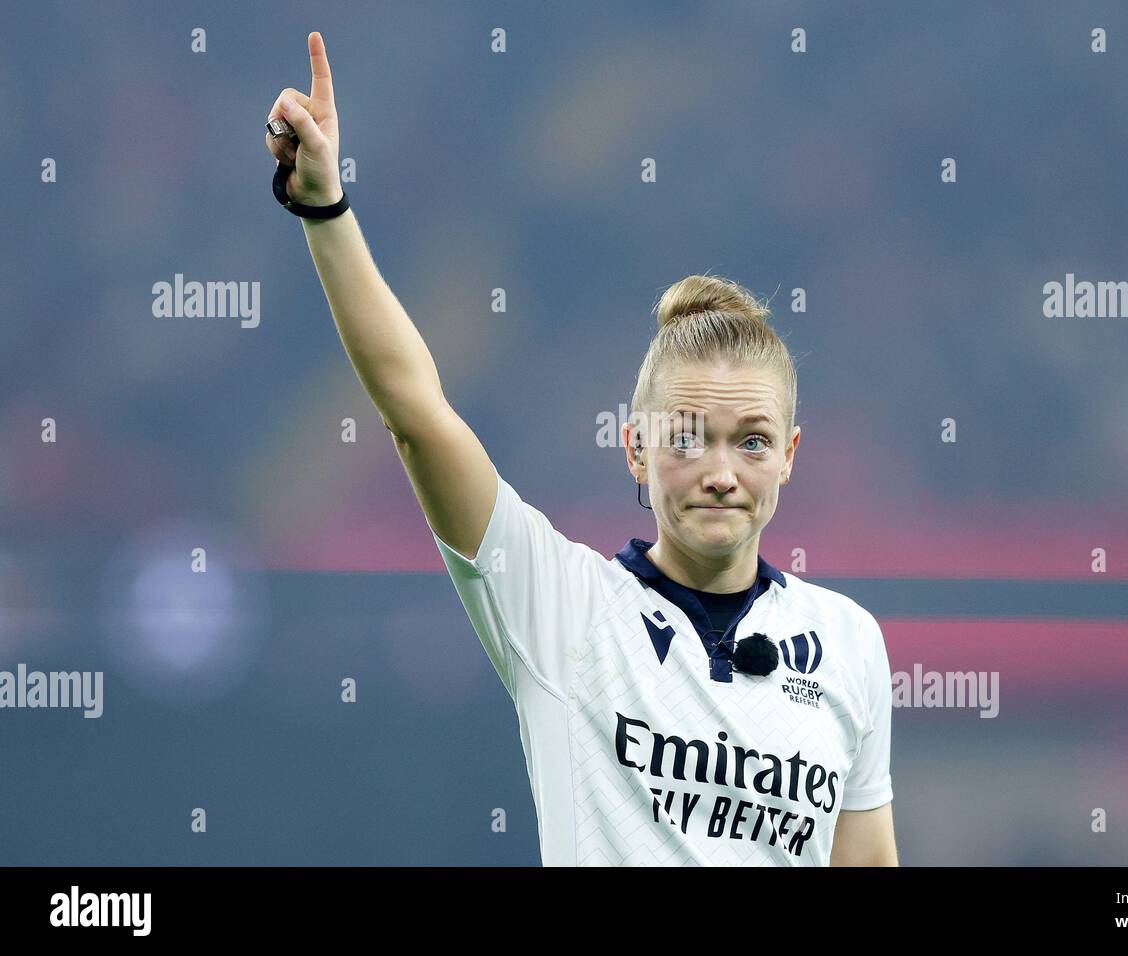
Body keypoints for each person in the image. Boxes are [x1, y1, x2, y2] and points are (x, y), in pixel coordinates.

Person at [266, 31, 898, 866]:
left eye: (751, 441)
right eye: (687, 437)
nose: (719, 472)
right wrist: (325, 209)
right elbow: (416, 412)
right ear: (634, 449)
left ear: (790, 454)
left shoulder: (849, 642)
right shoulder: (560, 605)